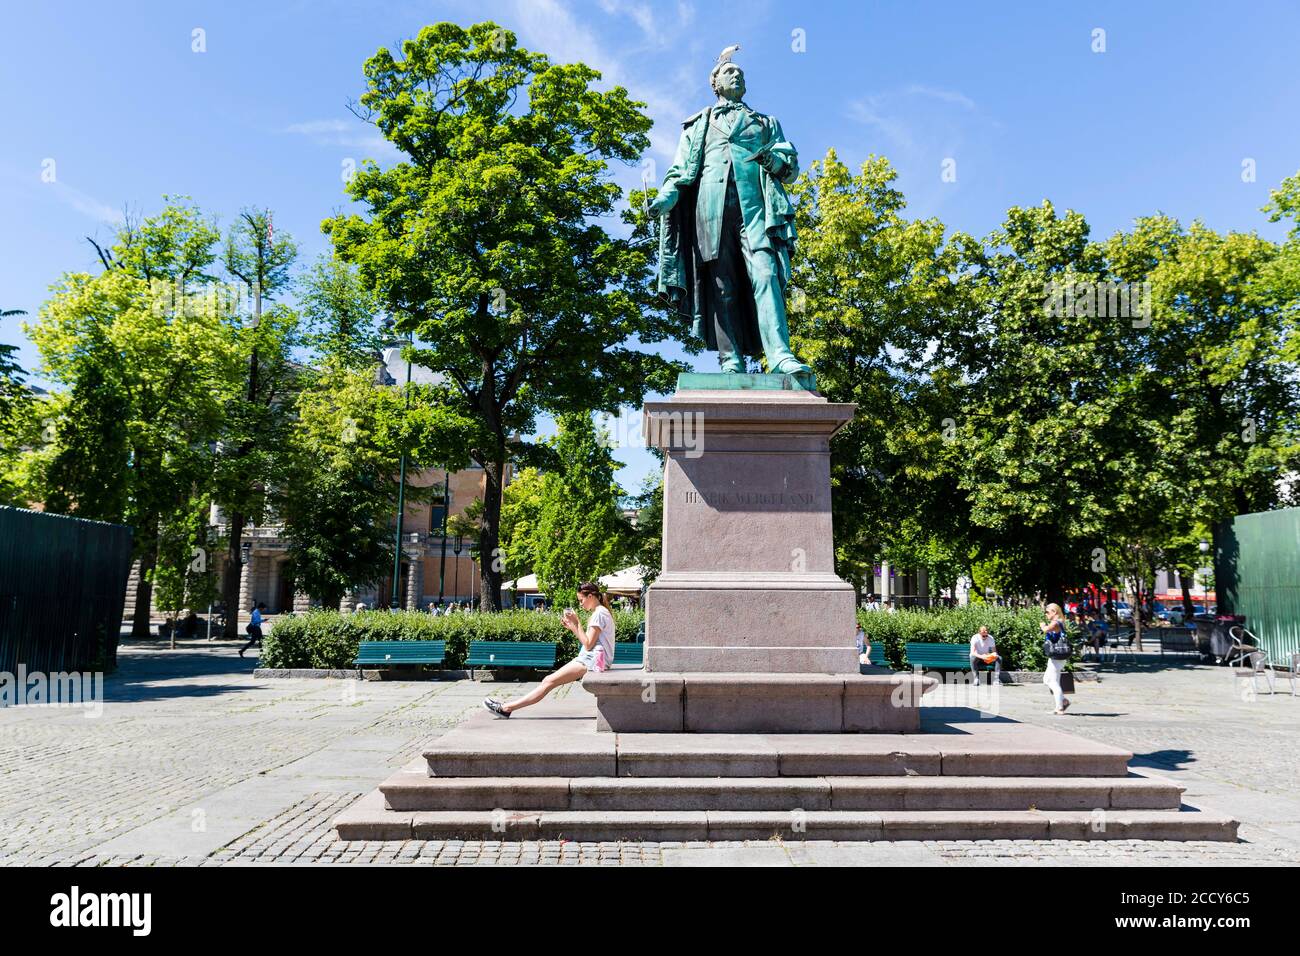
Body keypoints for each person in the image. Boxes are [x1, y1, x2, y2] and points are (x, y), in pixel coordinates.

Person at [484, 582, 615, 718]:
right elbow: (588, 641)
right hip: (592, 659)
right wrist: (573, 627)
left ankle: (506, 708)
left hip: (591, 661)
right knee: (548, 681)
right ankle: (507, 708)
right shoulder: (600, 612)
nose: (580, 604)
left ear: (591, 596)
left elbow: (588, 644)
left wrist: (577, 623)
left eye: (581, 600)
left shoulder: (599, 614)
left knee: (548, 682)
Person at [1040, 602, 1072, 714]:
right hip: (1056, 656)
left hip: (1057, 656)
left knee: (1052, 681)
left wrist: (1042, 625)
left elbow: (1045, 629)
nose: (1046, 615)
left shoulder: (1056, 623)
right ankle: (1062, 702)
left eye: (1047, 612)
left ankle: (1060, 707)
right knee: (1049, 680)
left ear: (1054, 612)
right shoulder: (1060, 621)